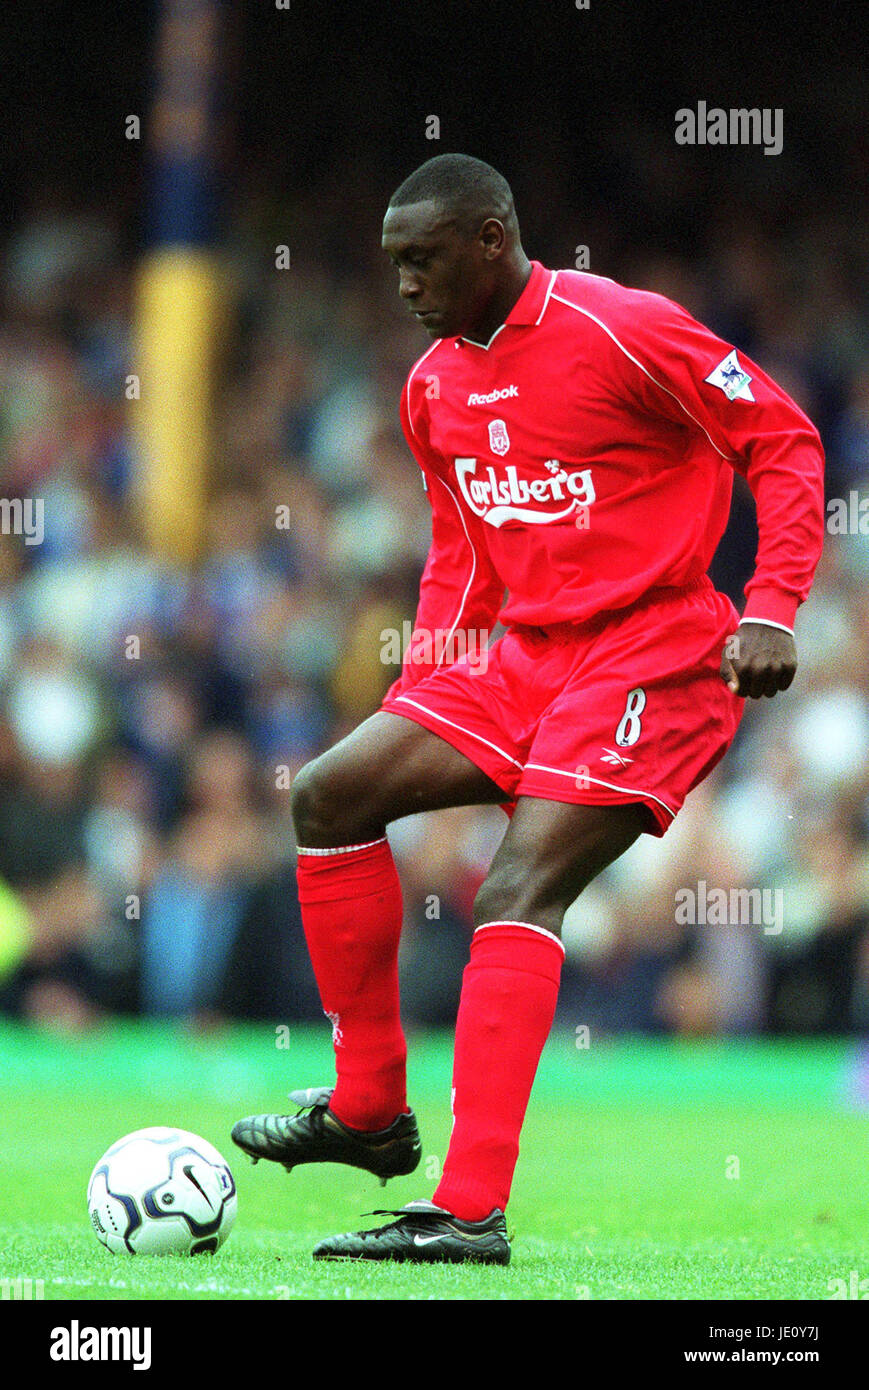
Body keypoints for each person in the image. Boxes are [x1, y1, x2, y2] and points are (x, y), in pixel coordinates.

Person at [232, 153, 825, 1264]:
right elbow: (462, 555)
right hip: (522, 659)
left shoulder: (620, 327)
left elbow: (780, 439)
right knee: (329, 792)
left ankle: (467, 1210)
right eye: (391, 265)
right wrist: (424, 694)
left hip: (656, 648)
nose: (403, 285)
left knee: (518, 882)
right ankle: (367, 1110)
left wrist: (774, 605)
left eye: (421, 260)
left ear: (490, 238)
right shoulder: (431, 387)